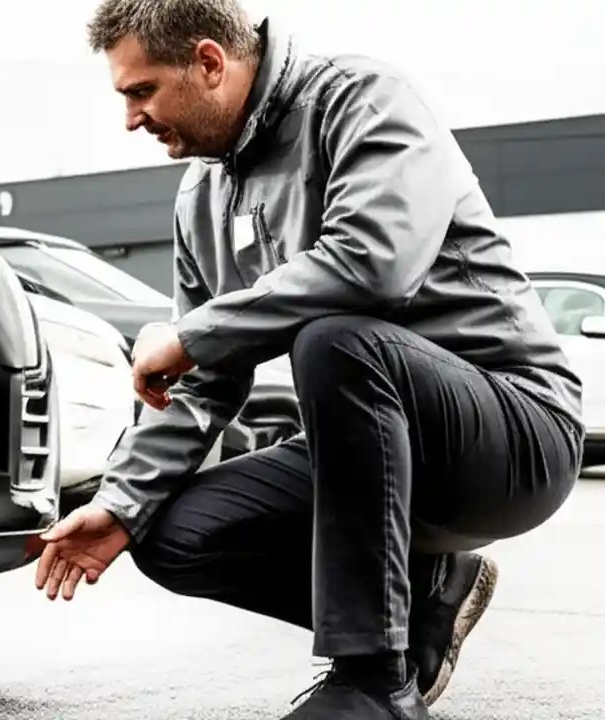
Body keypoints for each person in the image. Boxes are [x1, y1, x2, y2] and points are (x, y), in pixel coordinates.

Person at [33, 2, 586, 718]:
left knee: (335, 341)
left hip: (513, 435)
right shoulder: (200, 196)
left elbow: (372, 263)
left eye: (141, 91)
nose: (132, 118)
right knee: (169, 533)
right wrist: (120, 504)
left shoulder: (360, 100)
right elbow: (199, 387)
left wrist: (196, 332)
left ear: (208, 62)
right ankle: (422, 600)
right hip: (366, 446)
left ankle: (372, 683)